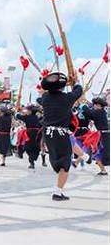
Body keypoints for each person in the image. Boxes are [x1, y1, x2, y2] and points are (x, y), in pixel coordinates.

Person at [38, 72, 82, 201]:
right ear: (62, 86)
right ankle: (58, 192)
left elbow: (42, 96)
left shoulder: (45, 98)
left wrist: (66, 83)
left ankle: (59, 189)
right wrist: (75, 81)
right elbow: (78, 90)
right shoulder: (67, 98)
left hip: (48, 134)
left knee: (59, 161)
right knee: (65, 164)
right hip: (61, 134)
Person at [82, 97, 109, 175]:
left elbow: (89, 113)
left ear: (99, 105)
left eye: (95, 105)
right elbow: (90, 113)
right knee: (97, 151)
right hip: (102, 134)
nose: (94, 106)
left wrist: (83, 105)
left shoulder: (99, 112)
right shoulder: (101, 111)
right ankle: (103, 169)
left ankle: (102, 167)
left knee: (99, 151)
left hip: (103, 135)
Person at [16, 105, 43, 169]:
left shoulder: (27, 117)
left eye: (27, 110)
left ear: (30, 111)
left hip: (29, 134)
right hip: (37, 134)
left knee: (28, 147)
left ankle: (31, 161)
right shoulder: (37, 117)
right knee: (36, 147)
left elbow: (18, 116)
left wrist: (17, 111)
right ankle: (32, 159)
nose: (26, 111)